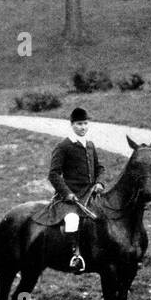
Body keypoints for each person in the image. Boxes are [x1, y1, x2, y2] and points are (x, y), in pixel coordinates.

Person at [48, 107, 107, 273]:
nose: (83, 127)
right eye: (79, 124)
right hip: (70, 196)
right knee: (73, 219)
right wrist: (67, 193)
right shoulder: (63, 146)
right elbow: (53, 174)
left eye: (85, 124)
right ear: (72, 125)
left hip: (90, 193)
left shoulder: (89, 145)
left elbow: (99, 167)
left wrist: (100, 183)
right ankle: (75, 256)